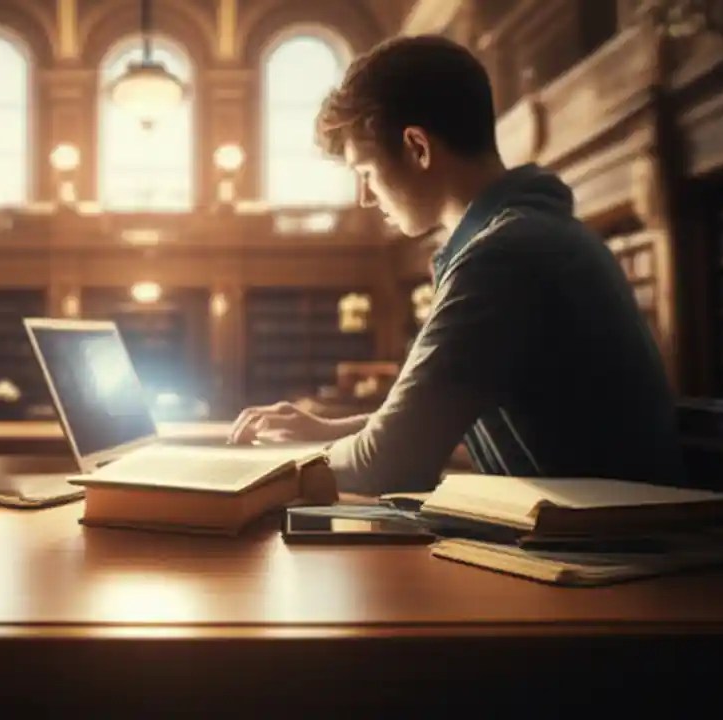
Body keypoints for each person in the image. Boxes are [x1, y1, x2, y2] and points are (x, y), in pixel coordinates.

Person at [228, 35, 685, 495]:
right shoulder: (532, 233)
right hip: (606, 537)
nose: (364, 197)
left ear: (417, 148)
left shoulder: (502, 256)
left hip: (606, 552)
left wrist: (269, 469)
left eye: (365, 172)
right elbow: (447, 422)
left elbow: (387, 465)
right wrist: (326, 432)